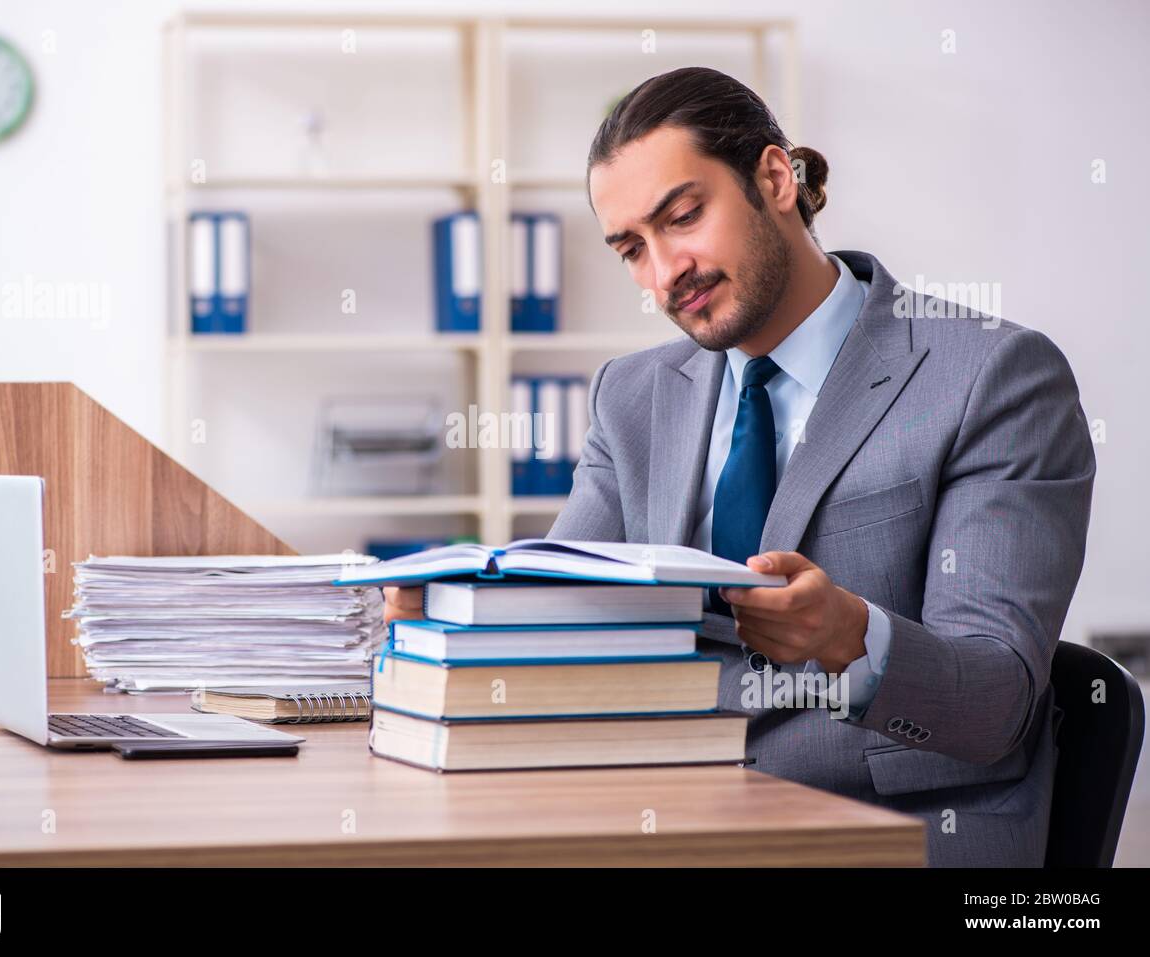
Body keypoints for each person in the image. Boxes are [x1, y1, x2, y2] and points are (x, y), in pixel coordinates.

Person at [385, 67, 1095, 867]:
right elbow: (563, 608)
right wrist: (454, 612)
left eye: (683, 218)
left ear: (774, 177)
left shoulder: (991, 376)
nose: (664, 273)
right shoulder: (633, 395)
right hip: (667, 819)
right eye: (632, 250)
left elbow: (996, 705)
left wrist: (851, 637)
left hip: (890, 832)